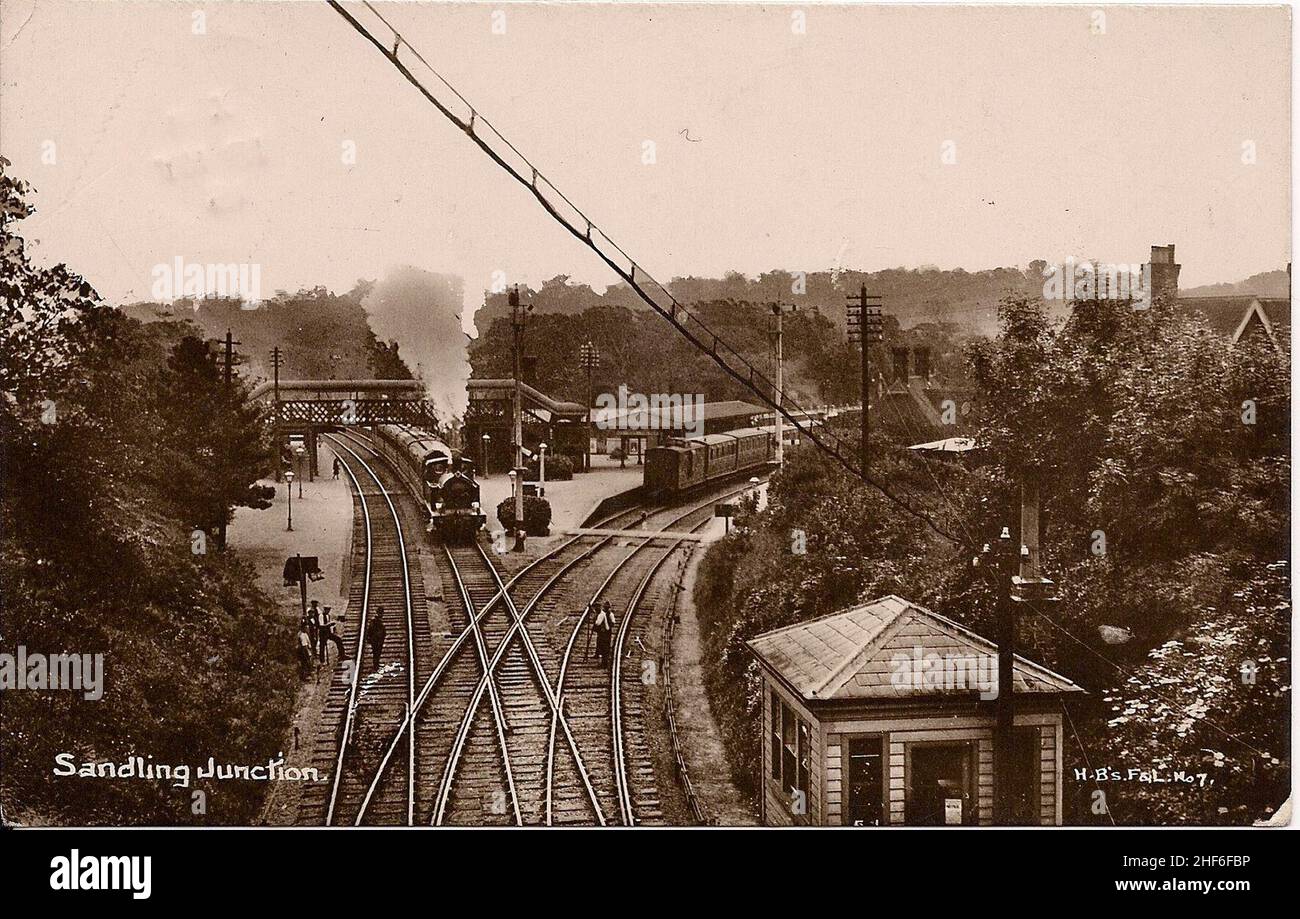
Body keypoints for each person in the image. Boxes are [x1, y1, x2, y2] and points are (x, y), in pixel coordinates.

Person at [594, 601, 616, 668]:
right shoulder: (606, 614)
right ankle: (603, 661)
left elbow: (598, 623)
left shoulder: (602, 614)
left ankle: (604, 663)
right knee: (604, 647)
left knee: (604, 647)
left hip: (604, 633)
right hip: (605, 632)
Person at [366, 606, 387, 672]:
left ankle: (376, 664)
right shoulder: (376, 620)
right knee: (376, 652)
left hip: (377, 639)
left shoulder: (375, 620)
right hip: (376, 639)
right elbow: (371, 630)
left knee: (377, 652)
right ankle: (375, 666)